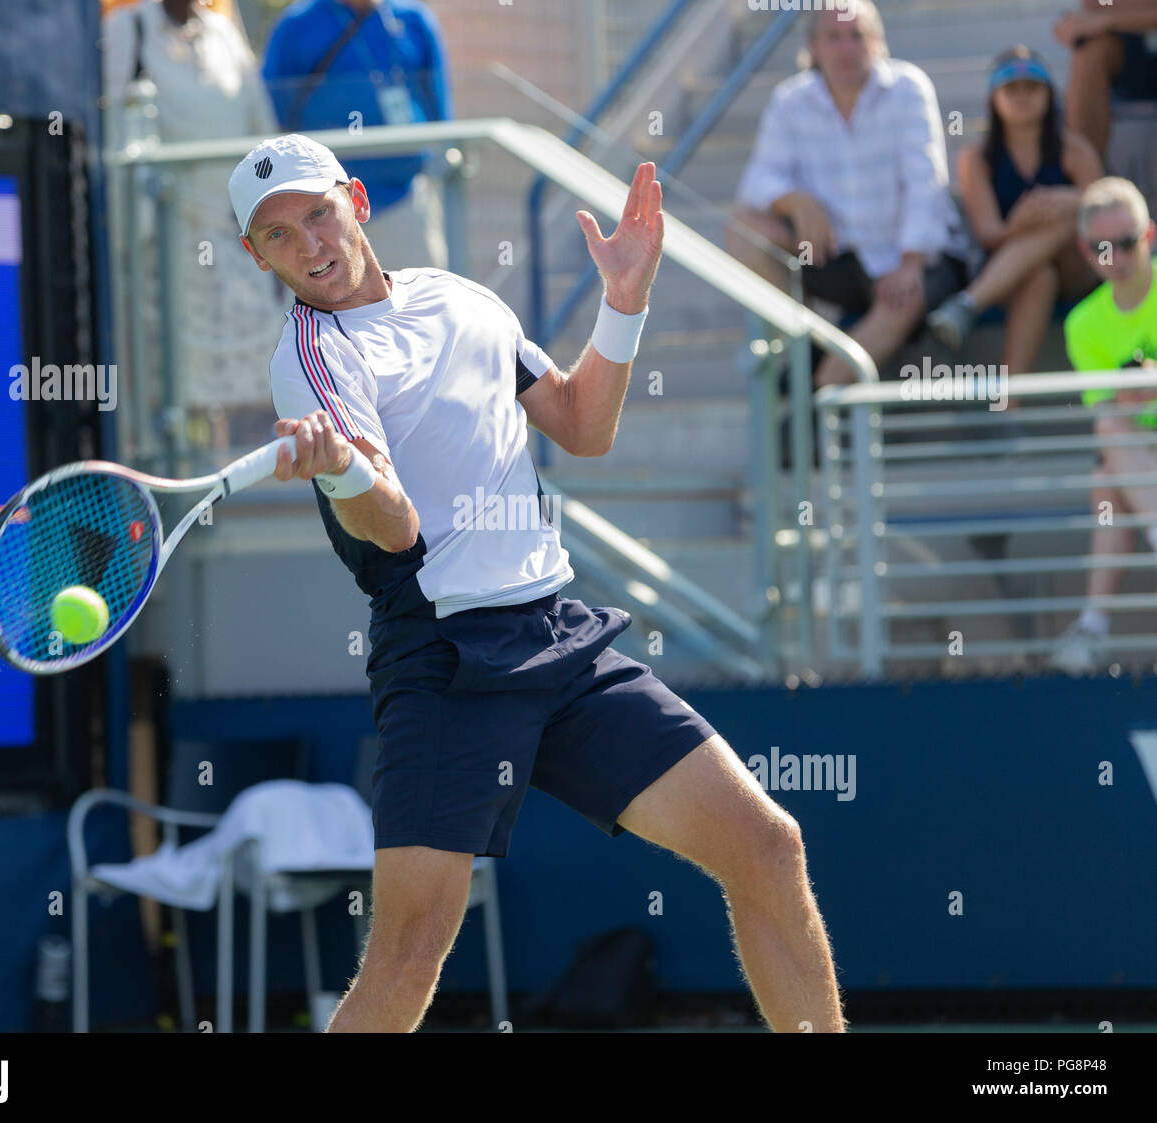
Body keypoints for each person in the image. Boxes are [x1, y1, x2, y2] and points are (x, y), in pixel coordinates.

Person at [227, 133, 845, 1032]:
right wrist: (344, 472)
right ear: (256, 254)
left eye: (317, 213)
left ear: (356, 201)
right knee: (405, 961)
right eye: (278, 235)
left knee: (766, 844)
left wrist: (623, 304)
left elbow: (580, 423)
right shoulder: (311, 354)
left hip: (556, 637)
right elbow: (395, 527)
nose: (309, 244)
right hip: (445, 659)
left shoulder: (462, 300)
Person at [727, 0, 968, 388]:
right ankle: (798, 341)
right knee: (744, 228)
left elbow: (927, 183)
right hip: (837, 257)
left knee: (899, 303)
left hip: (910, 260)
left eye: (857, 36)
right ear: (814, 47)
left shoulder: (908, 88)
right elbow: (756, 183)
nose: (846, 48)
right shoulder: (790, 101)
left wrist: (910, 261)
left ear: (877, 42)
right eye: (833, 37)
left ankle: (823, 387)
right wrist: (795, 200)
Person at [102, 0, 284, 449]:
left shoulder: (223, 34)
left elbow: (262, 131)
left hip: (233, 236)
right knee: (169, 387)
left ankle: (250, 502)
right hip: (161, 245)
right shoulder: (126, 31)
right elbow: (114, 136)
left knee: (256, 377)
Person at [926, 47, 1103, 374]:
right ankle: (1010, 405)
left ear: (1049, 95)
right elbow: (989, 234)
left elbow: (1103, 217)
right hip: (1013, 275)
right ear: (994, 98)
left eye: (1032, 88)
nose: (1023, 97)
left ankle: (967, 304)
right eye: (1011, 89)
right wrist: (1019, 225)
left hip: (1077, 267)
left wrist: (1067, 201)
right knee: (1040, 274)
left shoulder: (1075, 149)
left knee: (1071, 209)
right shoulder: (976, 158)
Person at [1049, 177, 1157, 673]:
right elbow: (1112, 408)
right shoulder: (1082, 324)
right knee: (1111, 444)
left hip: (1135, 456)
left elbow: (1123, 398)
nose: (1117, 256)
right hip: (1137, 449)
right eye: (1103, 247)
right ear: (1086, 251)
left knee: (1107, 480)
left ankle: (1093, 623)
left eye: (1128, 242)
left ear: (1150, 237)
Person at [261, 0, 452, 270]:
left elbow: (440, 110)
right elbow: (271, 118)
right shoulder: (295, 26)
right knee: (333, 308)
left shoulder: (415, 20)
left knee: (419, 302)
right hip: (322, 211)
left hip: (407, 198)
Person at [1054, 0, 1157, 166]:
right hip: (1137, 55)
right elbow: (1097, 6)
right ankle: (1088, 178)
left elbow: (1103, 13)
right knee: (1090, 51)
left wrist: (1109, 19)